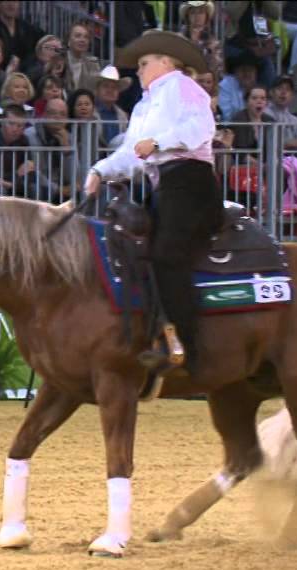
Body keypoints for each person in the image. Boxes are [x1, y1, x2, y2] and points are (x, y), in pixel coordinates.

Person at [84, 31, 217, 375]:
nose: (139, 71)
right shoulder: (144, 105)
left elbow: (202, 127)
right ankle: (156, 334)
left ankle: (188, 349)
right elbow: (131, 154)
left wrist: (157, 142)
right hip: (166, 186)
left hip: (190, 183)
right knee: (139, 253)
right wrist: (100, 169)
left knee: (167, 256)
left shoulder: (182, 86)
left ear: (165, 62)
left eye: (144, 64)